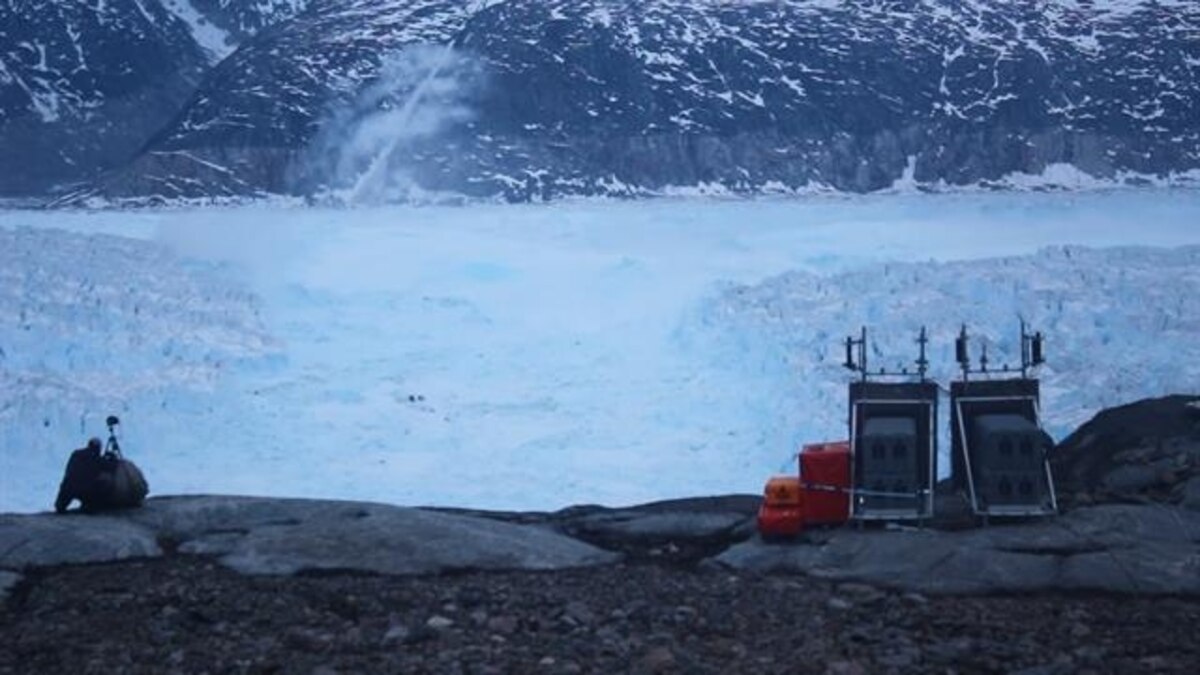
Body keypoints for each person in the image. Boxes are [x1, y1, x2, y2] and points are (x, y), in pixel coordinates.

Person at [54, 437, 118, 513]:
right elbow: (111, 468)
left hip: (68, 487)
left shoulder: (76, 454)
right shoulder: (97, 459)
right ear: (98, 448)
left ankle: (61, 504)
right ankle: (89, 505)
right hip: (84, 491)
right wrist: (113, 458)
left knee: (60, 505)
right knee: (101, 484)